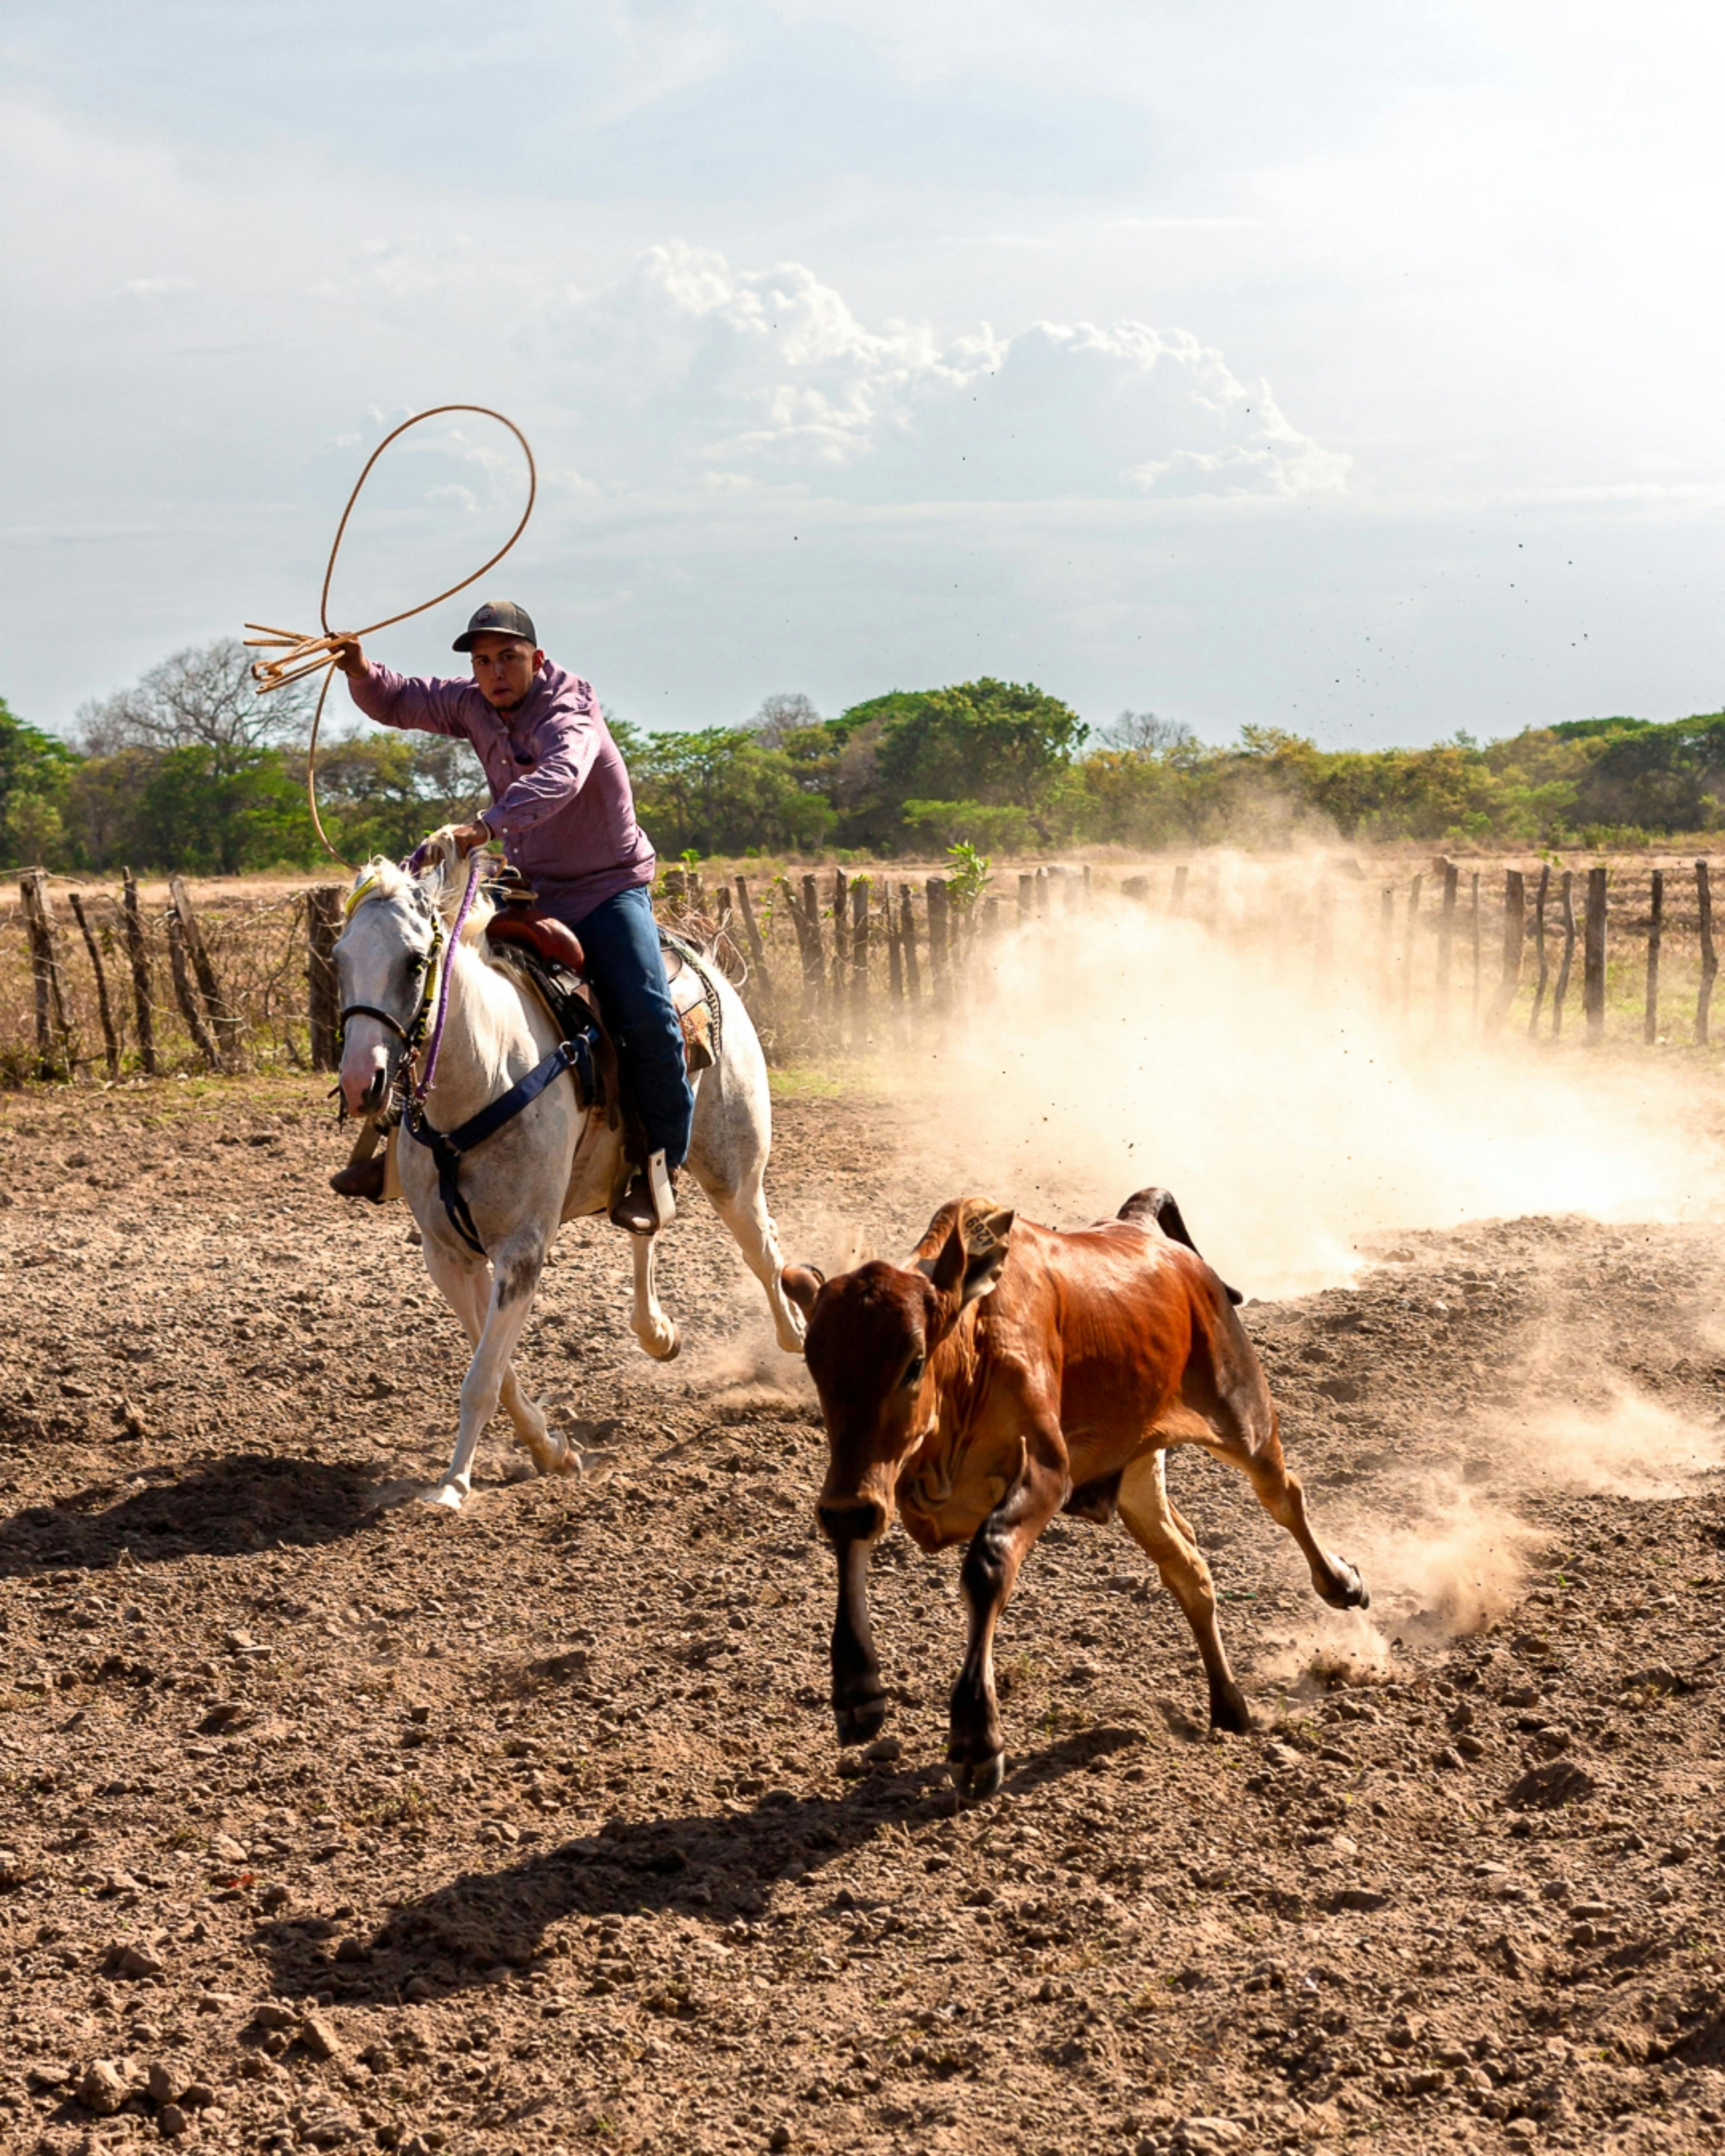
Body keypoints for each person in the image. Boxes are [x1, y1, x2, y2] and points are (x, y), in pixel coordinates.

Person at [329, 598, 692, 1235]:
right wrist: (360, 669)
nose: (494, 672)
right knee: (441, 987)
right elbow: (402, 700)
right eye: (482, 661)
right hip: (531, 887)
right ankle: (396, 1153)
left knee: (648, 1014)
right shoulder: (473, 703)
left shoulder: (570, 709)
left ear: (537, 659)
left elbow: (561, 776)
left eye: (508, 658)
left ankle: (655, 1171)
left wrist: (484, 828)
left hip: (607, 890)